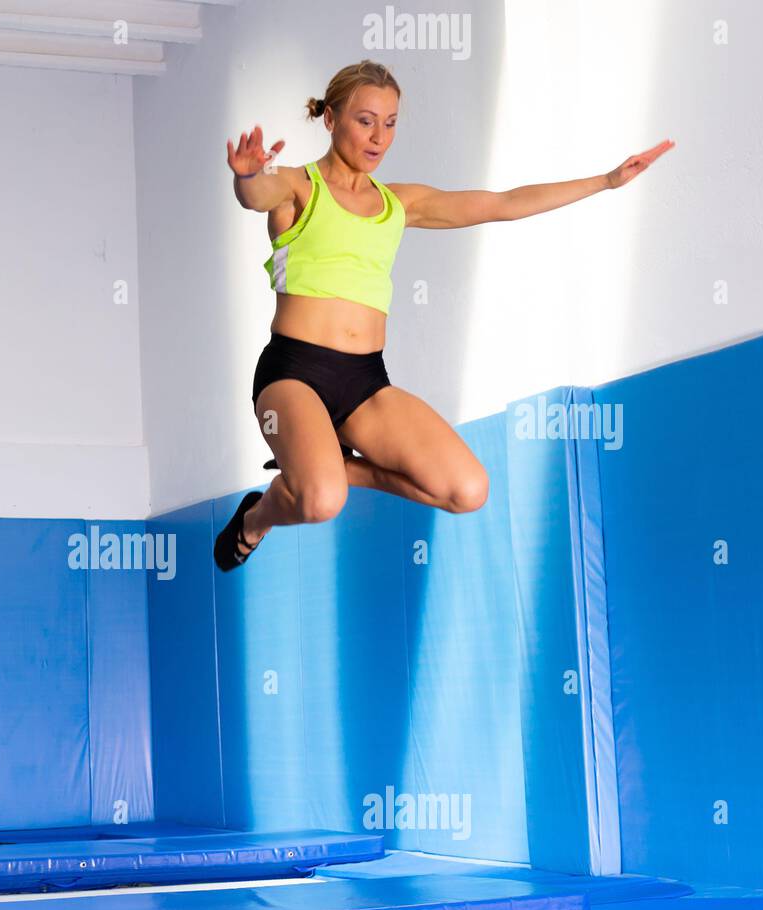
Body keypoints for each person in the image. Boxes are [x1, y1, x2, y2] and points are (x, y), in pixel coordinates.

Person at [215, 58, 674, 570]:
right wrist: (250, 173)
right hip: (293, 372)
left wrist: (606, 181)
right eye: (365, 120)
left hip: (364, 382)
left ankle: (341, 465)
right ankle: (257, 517)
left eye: (390, 124)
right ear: (331, 118)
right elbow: (256, 194)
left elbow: (501, 203)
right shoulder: (298, 185)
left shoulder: (398, 204)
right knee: (321, 500)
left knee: (467, 489)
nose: (379, 137)